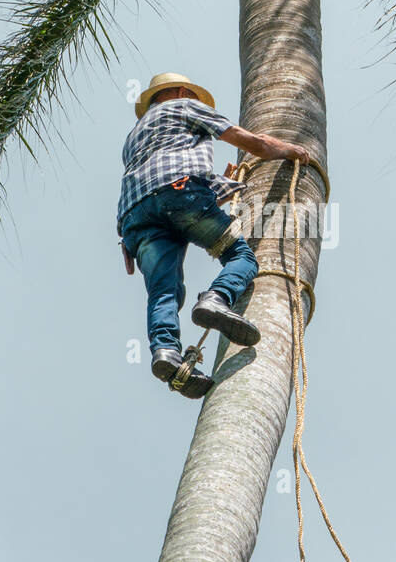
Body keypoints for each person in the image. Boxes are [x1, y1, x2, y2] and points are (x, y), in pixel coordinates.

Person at [118, 72, 310, 398]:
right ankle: (217, 299)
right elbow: (253, 143)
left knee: (164, 291)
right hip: (180, 193)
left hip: (135, 219)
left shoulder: (133, 137)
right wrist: (289, 150)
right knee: (241, 257)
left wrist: (219, 185)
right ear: (179, 91)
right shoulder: (185, 107)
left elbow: (159, 180)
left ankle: (166, 353)